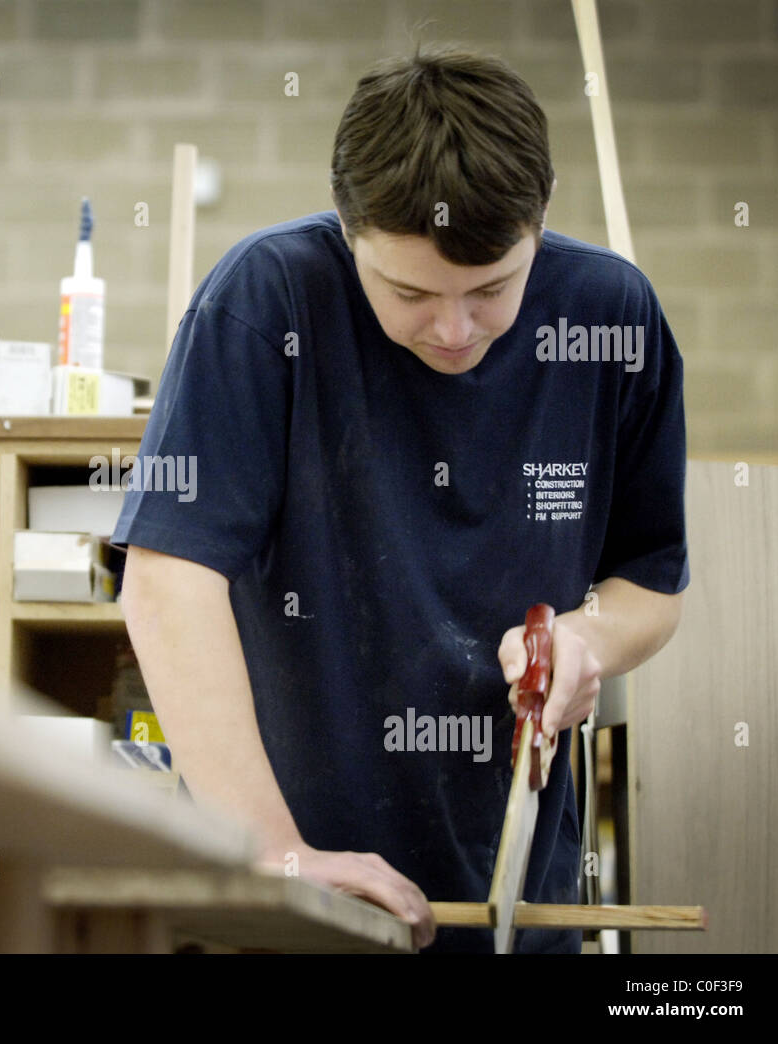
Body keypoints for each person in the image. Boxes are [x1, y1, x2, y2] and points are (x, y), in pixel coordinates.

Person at [111, 44, 688, 953]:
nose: (455, 329)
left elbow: (652, 584)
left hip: (514, 896)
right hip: (297, 903)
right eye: (410, 291)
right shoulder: (266, 303)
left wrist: (585, 641)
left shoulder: (612, 318)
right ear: (349, 234)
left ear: (541, 223)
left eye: (493, 288)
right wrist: (273, 853)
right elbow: (165, 582)